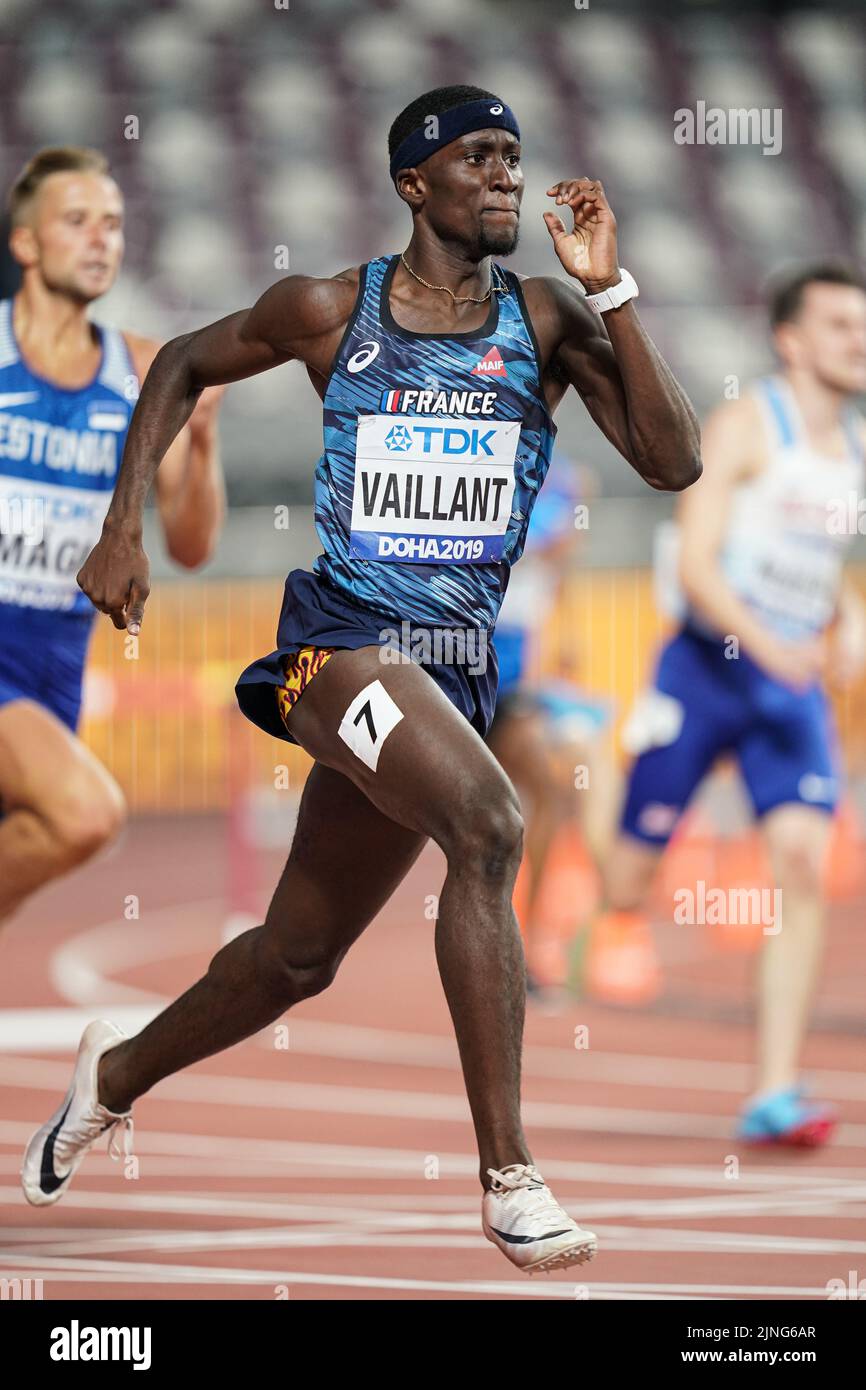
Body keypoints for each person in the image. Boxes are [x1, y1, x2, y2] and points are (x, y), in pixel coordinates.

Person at [23, 86, 699, 1274]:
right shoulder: (331, 309)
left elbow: (672, 461)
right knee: (489, 825)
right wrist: (123, 524)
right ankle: (509, 1177)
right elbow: (180, 362)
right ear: (413, 183)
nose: (505, 178)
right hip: (331, 650)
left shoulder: (544, 322)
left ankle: (112, 1071)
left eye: (514, 158)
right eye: (479, 158)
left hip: (446, 679)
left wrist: (610, 288)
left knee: (297, 956)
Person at [585, 263, 866, 1146]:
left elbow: (819, 562)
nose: (858, 342)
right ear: (789, 340)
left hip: (787, 695)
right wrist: (769, 639)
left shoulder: (852, 449)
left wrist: (847, 617)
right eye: (838, 326)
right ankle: (593, 779)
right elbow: (698, 562)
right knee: (625, 886)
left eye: (864, 326)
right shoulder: (750, 425)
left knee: (801, 867)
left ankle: (774, 1091)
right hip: (706, 672)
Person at [0, 146, 225, 929]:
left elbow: (192, 548)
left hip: (54, 666)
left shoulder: (138, 370)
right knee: (85, 814)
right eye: (76, 222)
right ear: (25, 243)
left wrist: (200, 441)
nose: (101, 240)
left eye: (114, 225)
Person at [487, 454, 617, 1000]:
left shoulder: (554, 511)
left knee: (539, 794)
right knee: (506, 808)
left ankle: (526, 944)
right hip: (465, 672)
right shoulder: (509, 490)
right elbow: (525, 541)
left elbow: (555, 567)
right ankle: (517, 942)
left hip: (513, 689)